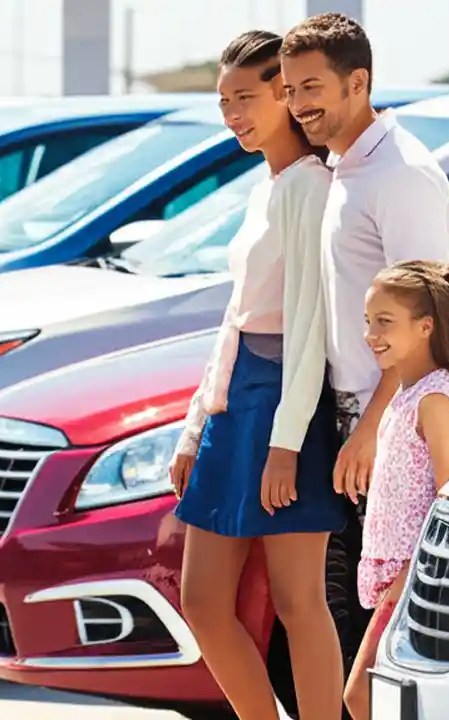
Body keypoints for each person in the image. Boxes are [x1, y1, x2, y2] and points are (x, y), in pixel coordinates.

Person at [168, 29, 349, 720]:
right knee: (203, 602)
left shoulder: (312, 189)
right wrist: (191, 431)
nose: (234, 115)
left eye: (246, 98)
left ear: (285, 94)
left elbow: (309, 326)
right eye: (223, 102)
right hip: (232, 404)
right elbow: (235, 319)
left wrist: (286, 443)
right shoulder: (264, 188)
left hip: (285, 408)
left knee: (300, 600)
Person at [279, 13, 449, 505]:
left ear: (357, 82)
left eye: (310, 87)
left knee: (390, 582)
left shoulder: (401, 175)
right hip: (350, 414)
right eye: (290, 91)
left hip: (391, 422)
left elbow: (424, 324)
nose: (297, 106)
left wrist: (371, 430)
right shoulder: (345, 168)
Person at [343, 260, 449, 719]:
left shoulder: (435, 400)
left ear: (426, 327)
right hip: (398, 578)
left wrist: (410, 579)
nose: (371, 334)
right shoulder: (408, 393)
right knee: (391, 700)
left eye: (385, 322)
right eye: (368, 321)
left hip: (415, 577)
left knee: (362, 697)